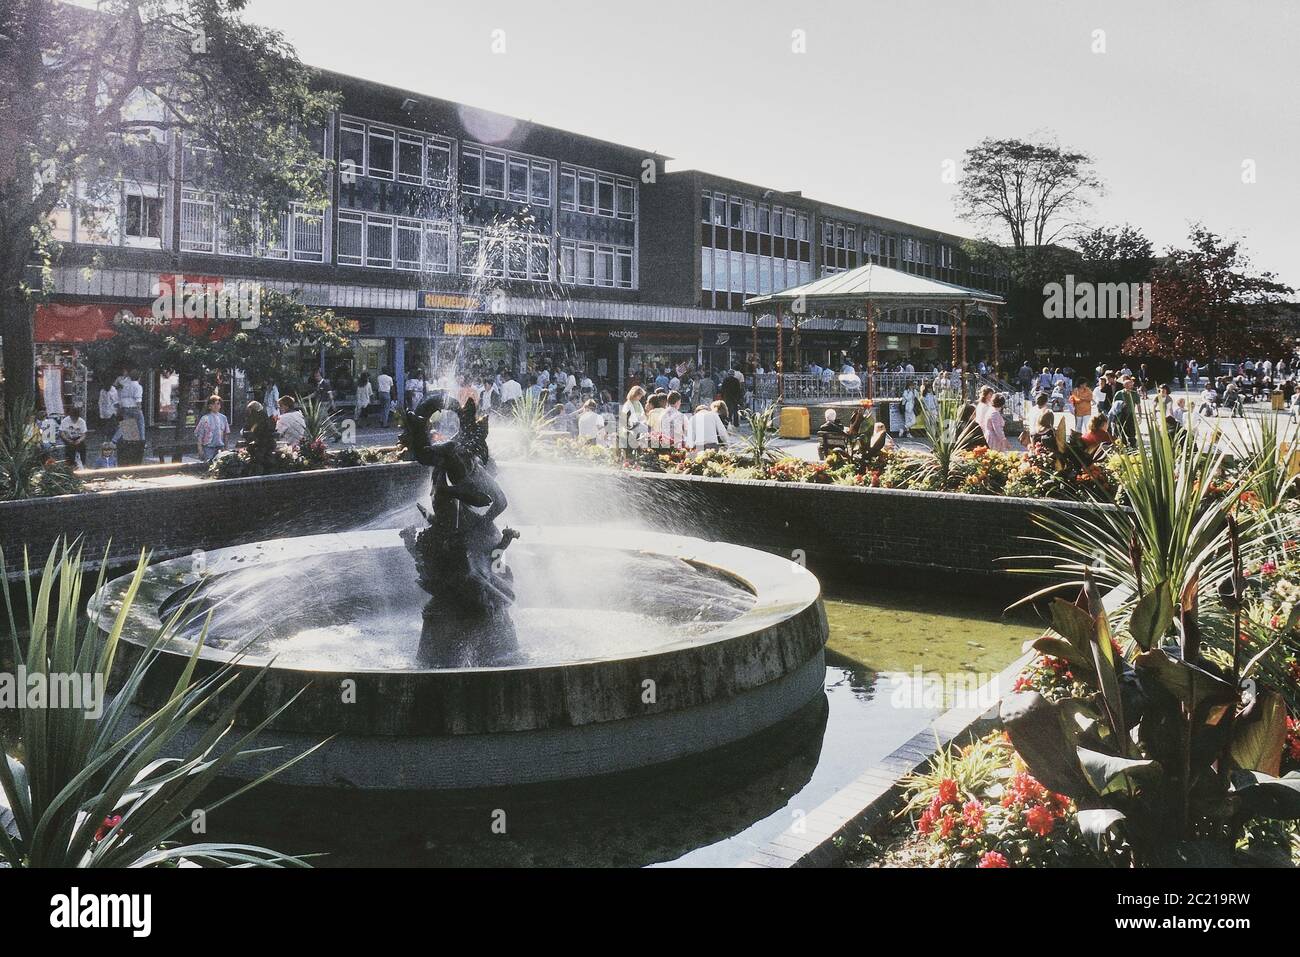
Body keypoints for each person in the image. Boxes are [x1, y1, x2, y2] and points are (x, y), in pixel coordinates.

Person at [194, 395, 230, 462]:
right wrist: (200, 449)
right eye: (213, 404)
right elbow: (200, 435)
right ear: (209, 406)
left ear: (220, 406)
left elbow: (226, 434)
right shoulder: (205, 418)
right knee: (208, 465)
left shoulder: (223, 418)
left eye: (218, 404)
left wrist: (226, 447)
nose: (216, 406)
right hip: (208, 448)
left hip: (220, 447)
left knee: (220, 465)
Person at [116, 370, 146, 445]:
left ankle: (130, 443)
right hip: (135, 408)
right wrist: (139, 410)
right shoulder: (138, 386)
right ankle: (142, 443)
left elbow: (121, 395)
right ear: (139, 377)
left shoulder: (125, 385)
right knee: (140, 425)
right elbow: (138, 400)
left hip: (125, 407)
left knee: (128, 425)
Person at [619, 385, 648, 456]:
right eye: (639, 395)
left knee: (647, 431)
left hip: (637, 425)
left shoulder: (638, 403)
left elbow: (642, 416)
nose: (640, 397)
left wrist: (644, 421)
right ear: (634, 394)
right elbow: (624, 418)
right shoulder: (627, 404)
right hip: (630, 428)